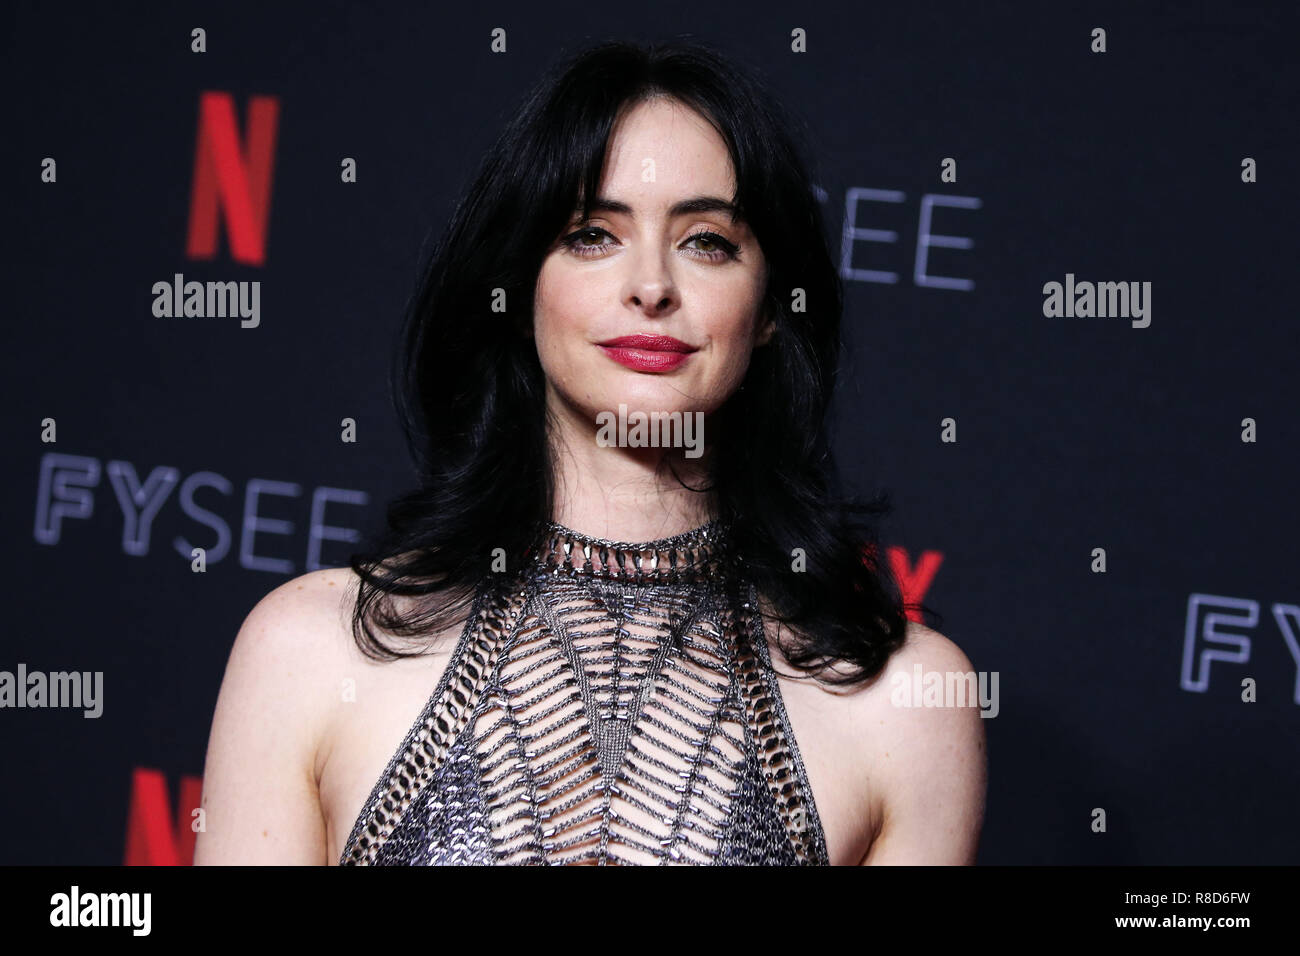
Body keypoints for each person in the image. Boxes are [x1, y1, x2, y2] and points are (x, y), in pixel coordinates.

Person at [193, 38, 986, 866]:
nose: (651, 285)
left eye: (707, 240)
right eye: (592, 234)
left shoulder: (906, 706)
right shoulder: (306, 653)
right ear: (518, 283)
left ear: (771, 306)